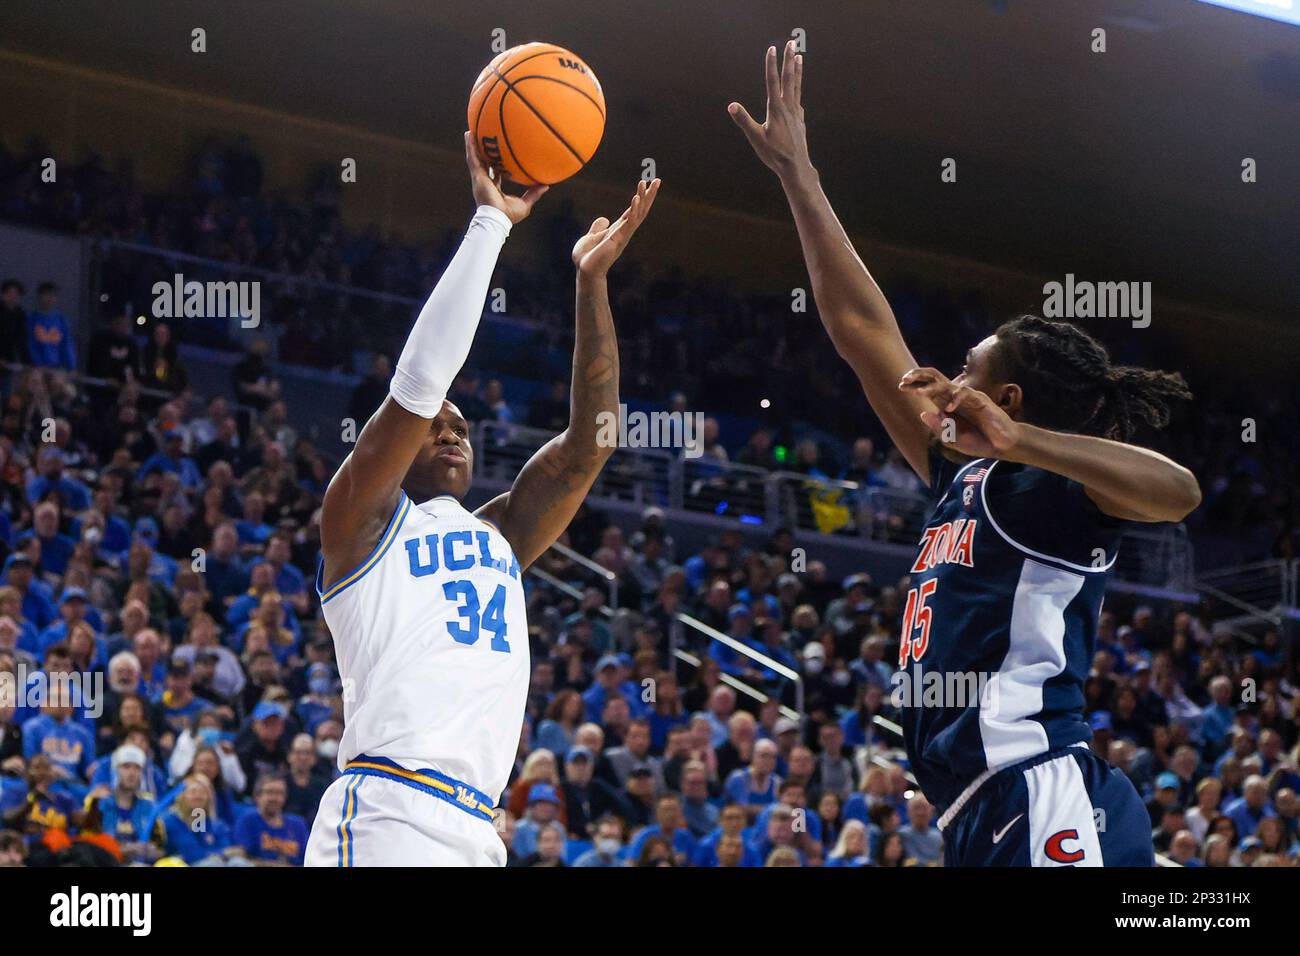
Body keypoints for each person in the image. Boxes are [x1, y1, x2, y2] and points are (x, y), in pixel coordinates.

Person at [730, 41, 1200, 867]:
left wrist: (1027, 444)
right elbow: (859, 328)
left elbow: (1179, 491)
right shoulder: (964, 472)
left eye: (968, 373)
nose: (947, 382)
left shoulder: (1049, 489)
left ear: (1007, 403)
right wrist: (797, 177)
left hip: (1036, 783)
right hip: (974, 807)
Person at [304, 136, 660, 867]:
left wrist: (591, 283)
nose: (451, 431)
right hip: (386, 812)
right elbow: (420, 379)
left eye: (462, 427)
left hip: (477, 827)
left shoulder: (497, 534)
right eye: (436, 425)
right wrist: (490, 224)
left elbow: (590, 444)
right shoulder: (359, 522)